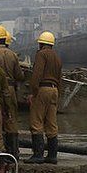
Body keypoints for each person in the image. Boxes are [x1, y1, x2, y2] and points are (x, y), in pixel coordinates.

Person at [0, 25, 25, 160]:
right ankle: (14, 152)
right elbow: (20, 76)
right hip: (10, 90)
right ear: (5, 39)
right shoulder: (13, 55)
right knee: (11, 119)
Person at [26, 31, 62, 164]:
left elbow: (37, 75)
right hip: (54, 90)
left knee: (36, 122)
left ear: (41, 44)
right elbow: (60, 78)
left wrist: (33, 93)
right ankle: (52, 155)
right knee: (52, 123)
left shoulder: (41, 54)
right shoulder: (57, 57)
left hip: (43, 89)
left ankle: (38, 155)